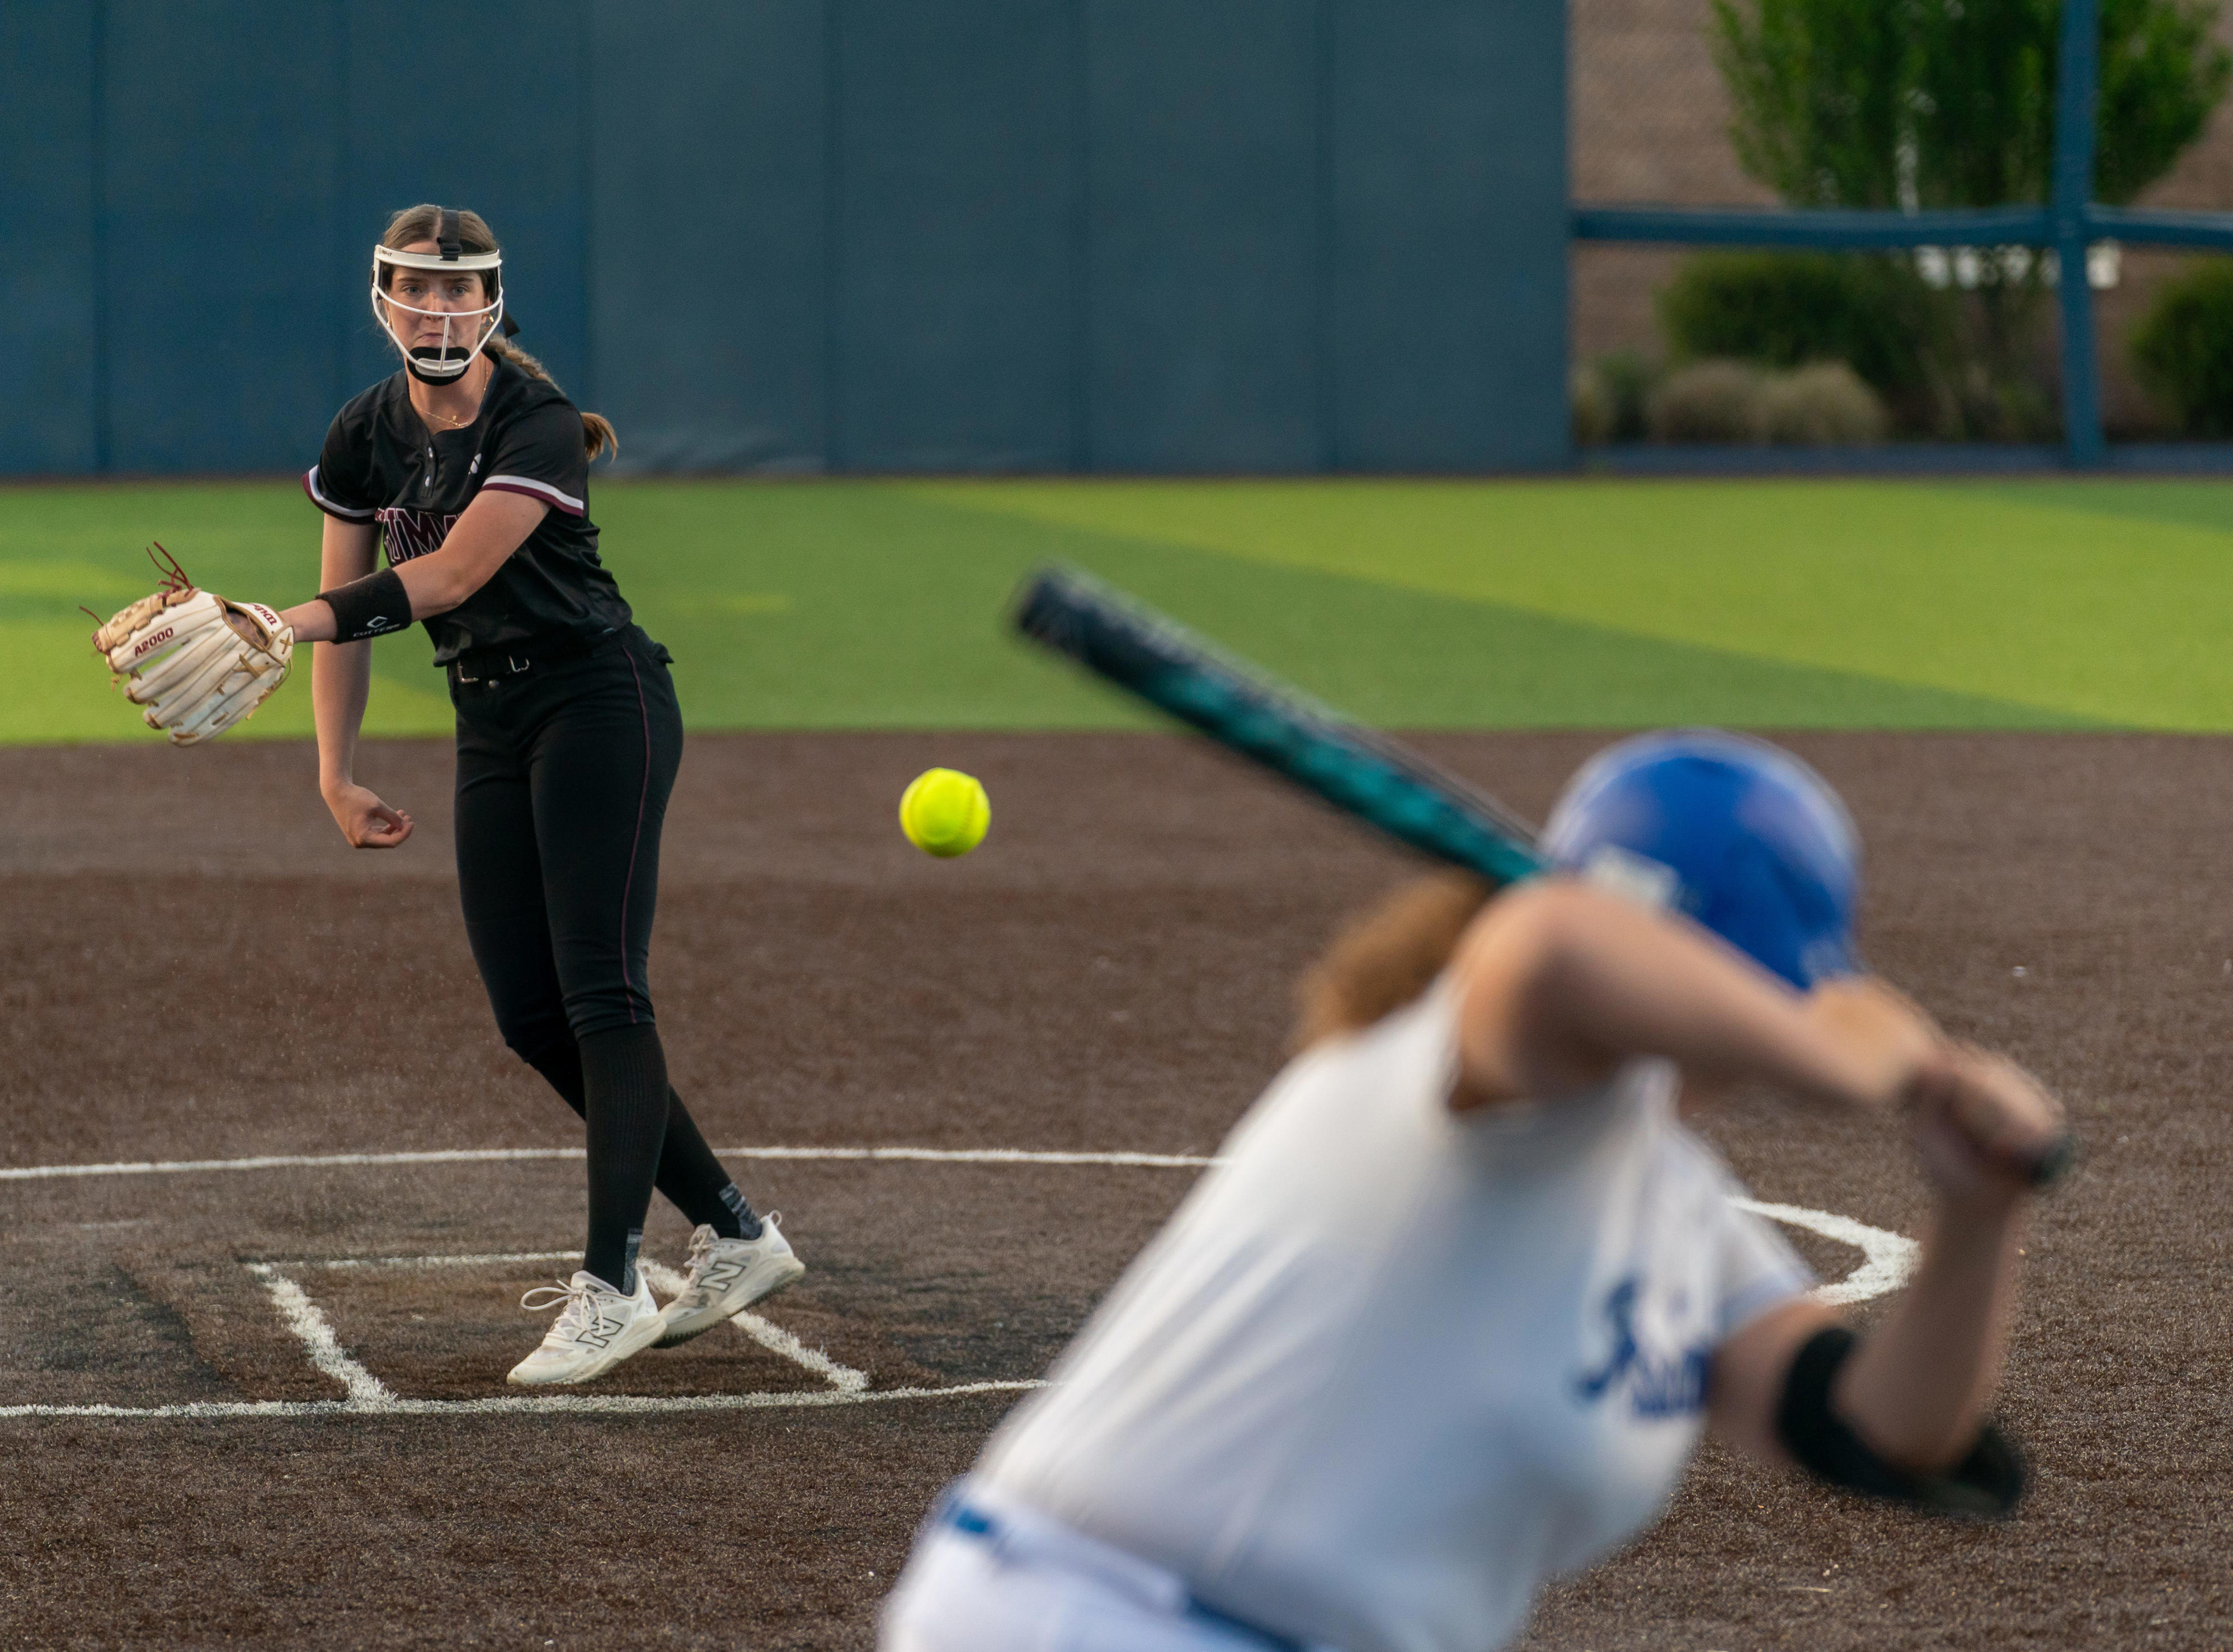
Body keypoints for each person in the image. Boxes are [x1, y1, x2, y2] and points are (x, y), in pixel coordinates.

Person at [881, 730, 2068, 1652]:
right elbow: (1553, 946)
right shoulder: (1469, 1071)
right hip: (1095, 1617)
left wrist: (1976, 1209)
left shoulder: (1676, 1206)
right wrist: (1858, 1053)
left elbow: (1880, 1424)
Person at [280, 204, 802, 1385]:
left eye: (461, 291)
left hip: (596, 701)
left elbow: (452, 572)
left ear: (494, 304)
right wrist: (334, 767)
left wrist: (281, 621)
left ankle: (611, 1285)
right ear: (382, 297)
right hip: (490, 718)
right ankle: (734, 1229)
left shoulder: (539, 421)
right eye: (418, 288)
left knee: (603, 991)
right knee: (530, 1015)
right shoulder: (363, 435)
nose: (440, 309)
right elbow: (351, 616)